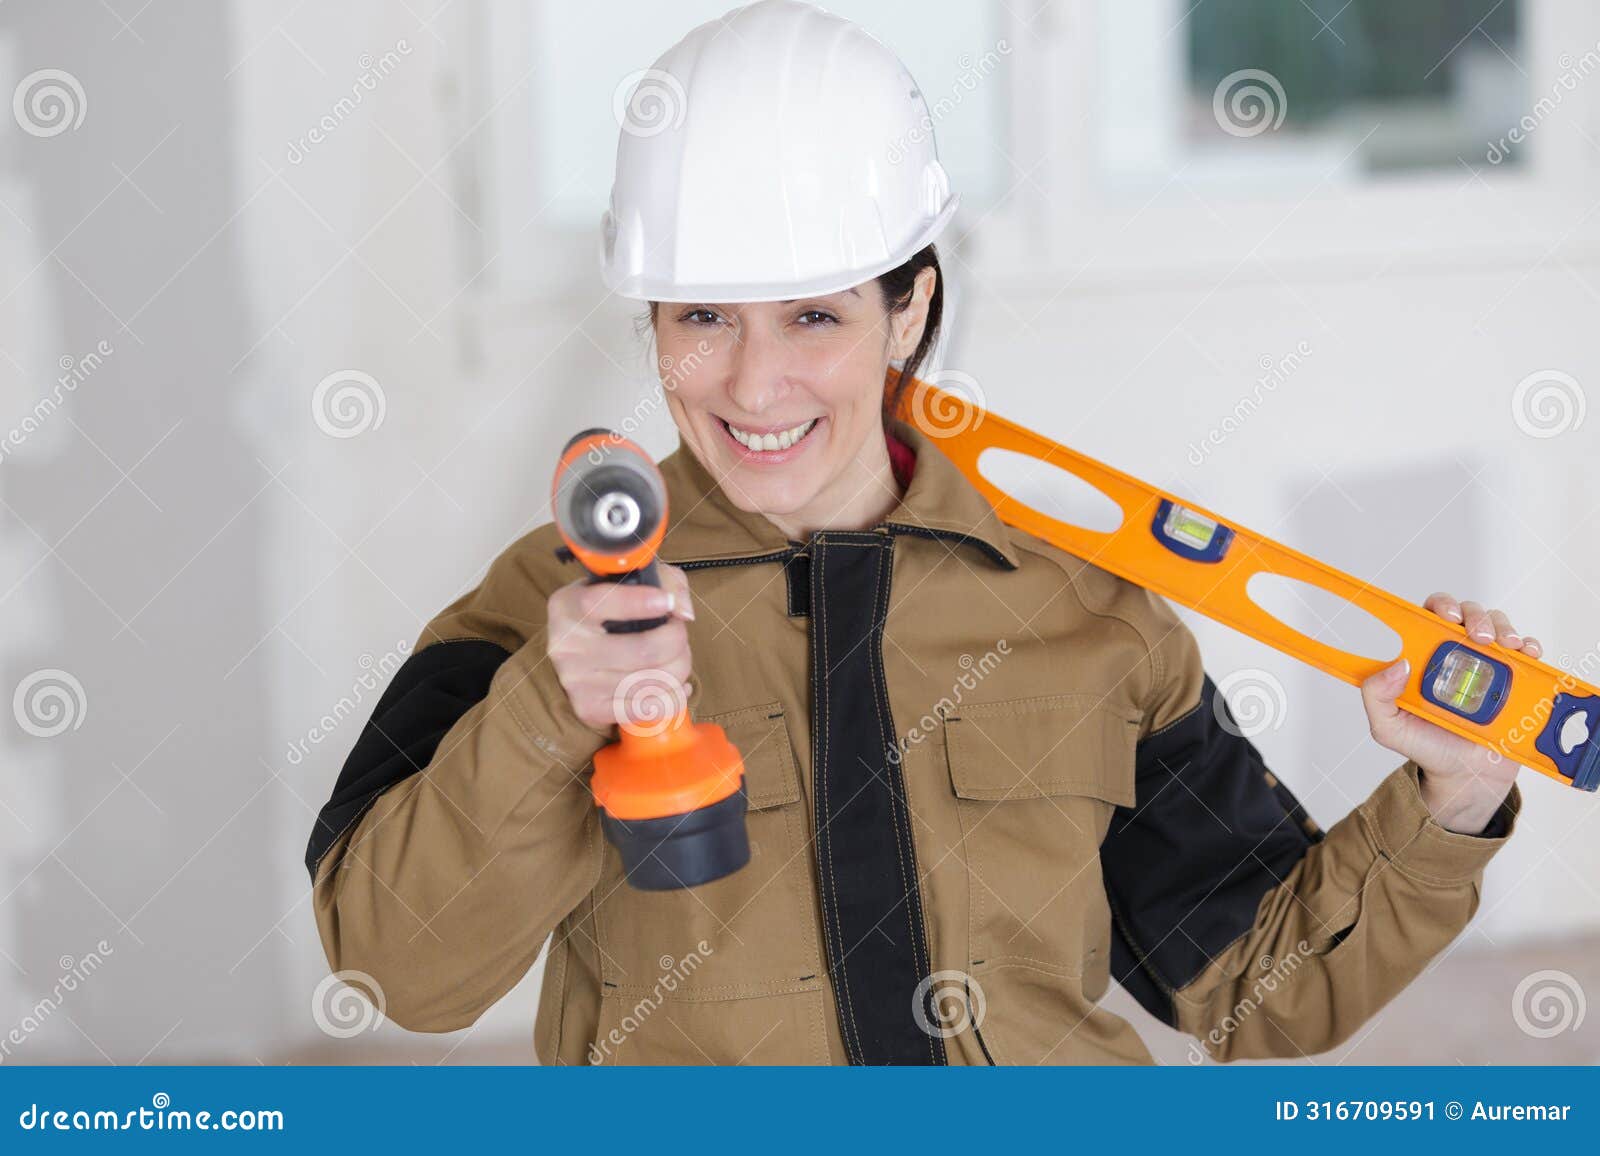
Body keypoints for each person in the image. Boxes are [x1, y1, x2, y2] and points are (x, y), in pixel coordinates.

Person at [304, 0, 1528, 1065]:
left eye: (813, 317)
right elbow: (399, 973)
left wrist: (1450, 798)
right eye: (702, 316)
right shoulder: (546, 607)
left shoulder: (1085, 607)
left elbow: (1259, 995)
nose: (753, 383)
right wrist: (547, 712)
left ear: (910, 310)